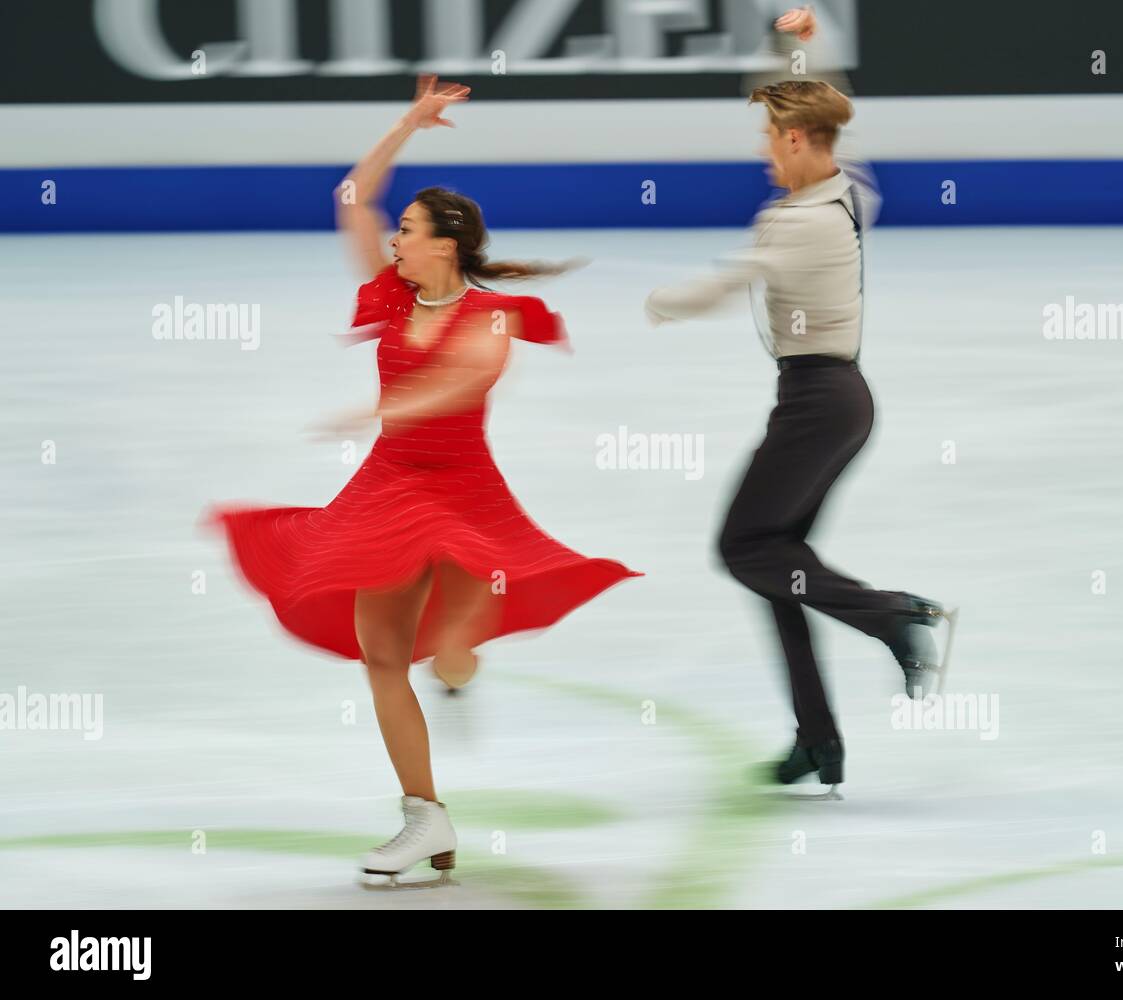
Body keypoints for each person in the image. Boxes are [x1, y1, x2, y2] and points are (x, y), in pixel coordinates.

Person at [203, 76, 640, 882]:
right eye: (397, 231)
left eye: (408, 231)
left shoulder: (490, 318)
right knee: (382, 654)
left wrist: (378, 403)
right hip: (386, 485)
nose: (394, 240)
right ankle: (423, 814)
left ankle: (459, 650)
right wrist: (407, 122)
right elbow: (350, 197)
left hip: (460, 491)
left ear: (446, 243)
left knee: (447, 648)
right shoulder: (390, 293)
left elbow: (460, 384)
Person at [644, 8, 955, 796]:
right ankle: (818, 741)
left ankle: (898, 618)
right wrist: (800, 49)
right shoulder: (851, 191)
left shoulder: (801, 223)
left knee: (745, 550)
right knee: (775, 566)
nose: (762, 154)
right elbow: (819, 105)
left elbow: (721, 285)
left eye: (768, 140)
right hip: (831, 400)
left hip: (819, 403)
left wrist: (663, 301)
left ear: (794, 141)